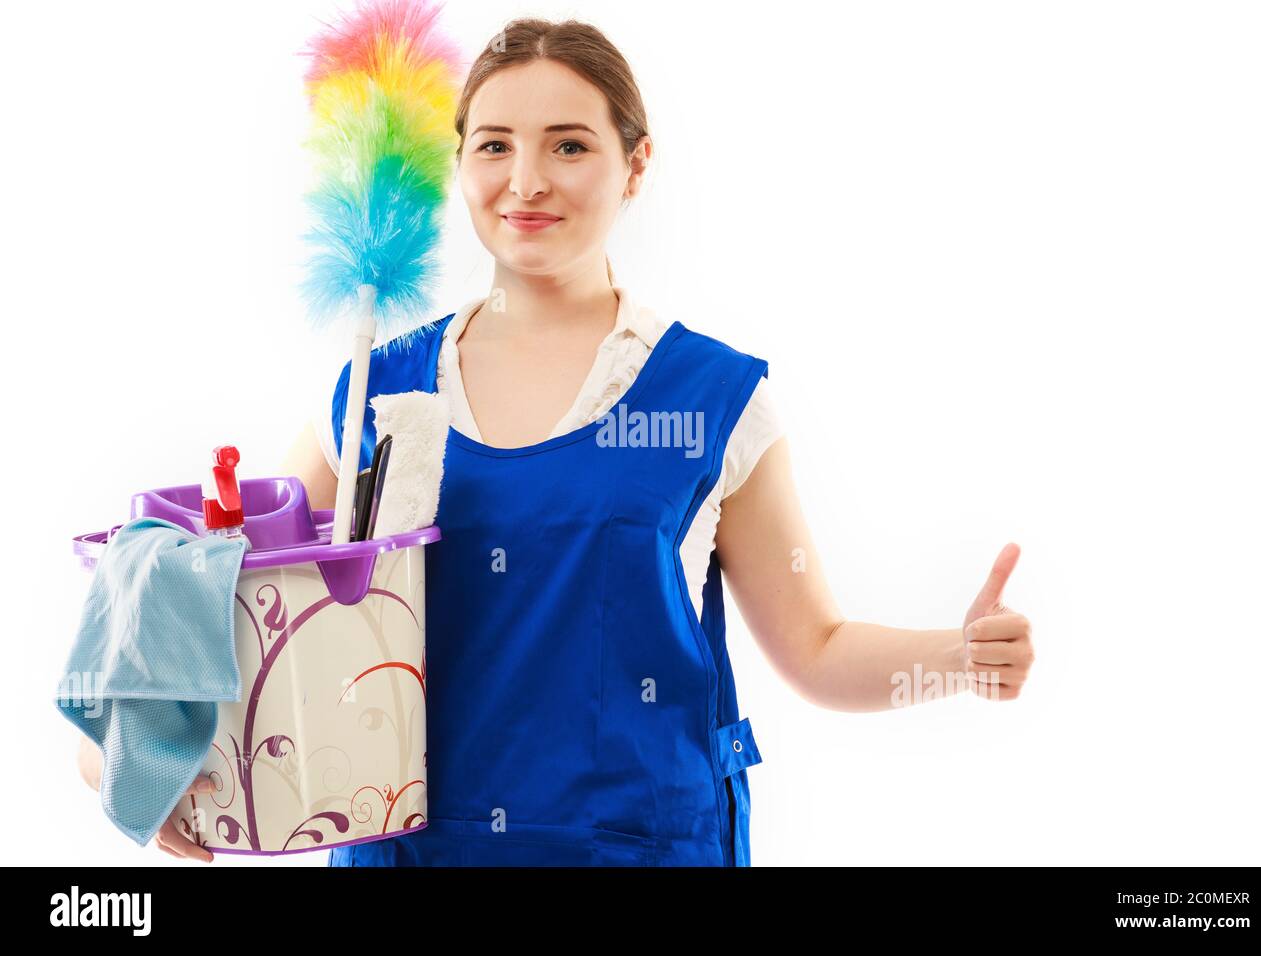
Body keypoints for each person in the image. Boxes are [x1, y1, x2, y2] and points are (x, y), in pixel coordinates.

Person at [86, 17, 1033, 865]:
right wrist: (126, 746)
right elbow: (247, 608)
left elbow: (816, 648)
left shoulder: (712, 398)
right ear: (459, 162)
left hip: (645, 848)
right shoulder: (377, 392)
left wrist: (958, 657)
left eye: (568, 145)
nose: (526, 181)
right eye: (494, 145)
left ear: (637, 163)